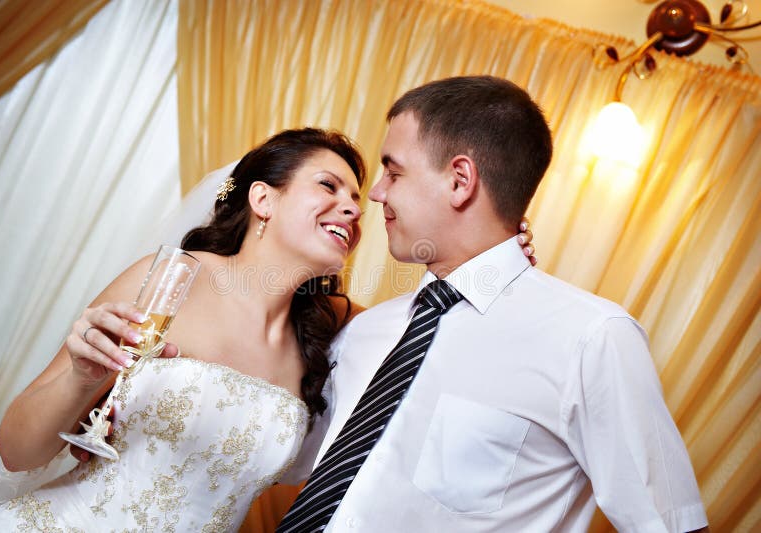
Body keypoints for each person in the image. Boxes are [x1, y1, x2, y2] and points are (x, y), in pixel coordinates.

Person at [277, 76, 709, 532]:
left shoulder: (592, 339)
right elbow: (285, 461)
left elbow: (670, 524)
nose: (376, 193)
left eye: (394, 172)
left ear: (460, 181)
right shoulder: (363, 331)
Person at [0, 128, 369, 532]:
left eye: (356, 201)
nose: (351, 209)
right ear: (262, 199)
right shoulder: (171, 280)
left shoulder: (331, 332)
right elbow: (17, 454)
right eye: (328, 186)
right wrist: (80, 380)